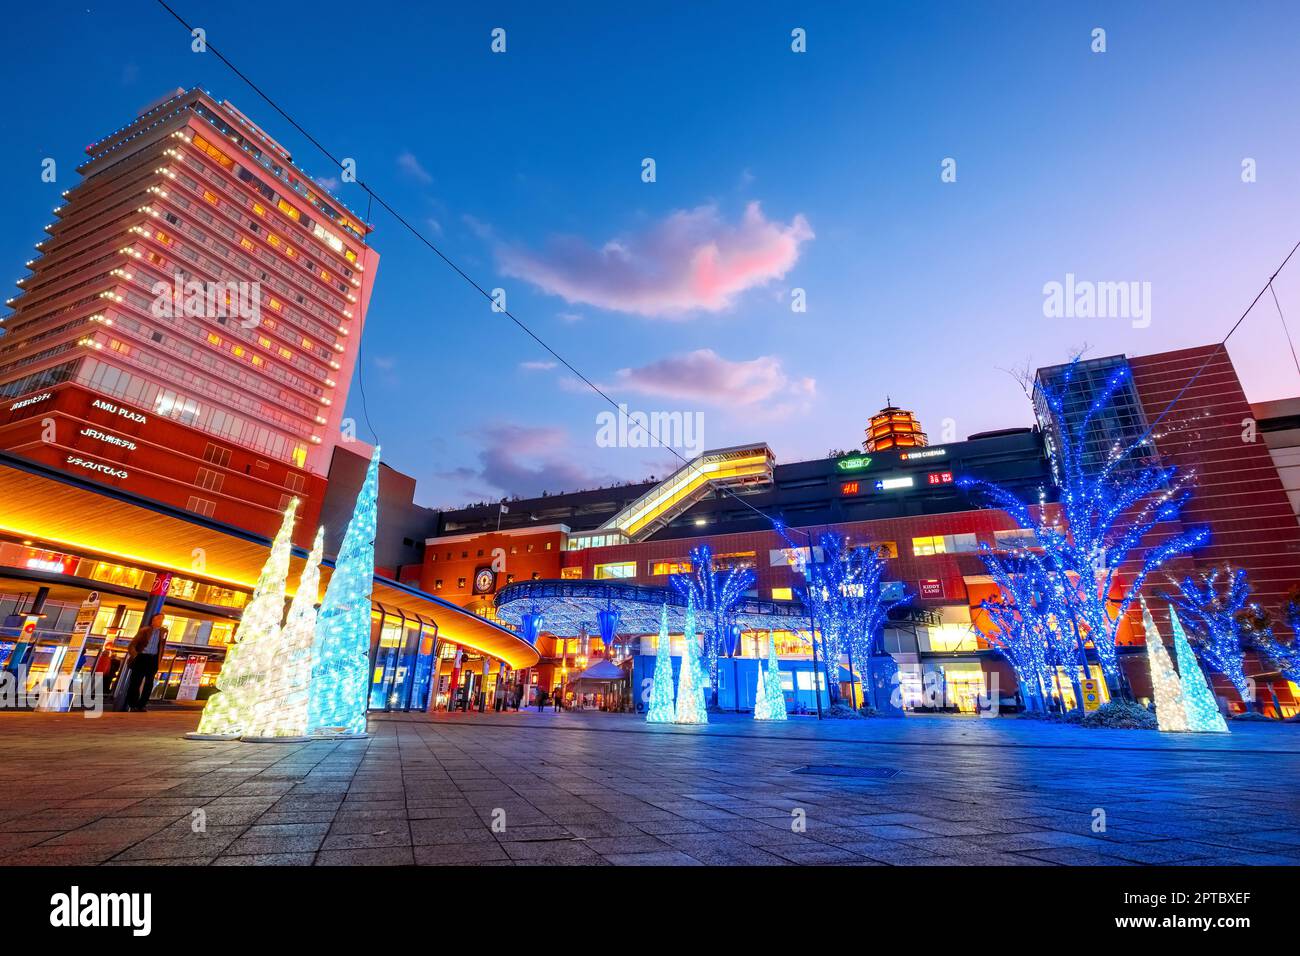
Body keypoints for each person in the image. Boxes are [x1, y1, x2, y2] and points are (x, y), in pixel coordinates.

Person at [124, 613, 168, 712]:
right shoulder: (145, 630)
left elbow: (162, 646)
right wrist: (136, 655)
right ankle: (133, 704)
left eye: (162, 619)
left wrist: (159, 659)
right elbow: (132, 645)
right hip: (141, 657)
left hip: (153, 659)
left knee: (149, 683)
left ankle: (142, 705)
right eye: (158, 619)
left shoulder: (164, 632)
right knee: (136, 682)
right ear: (153, 620)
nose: (160, 621)